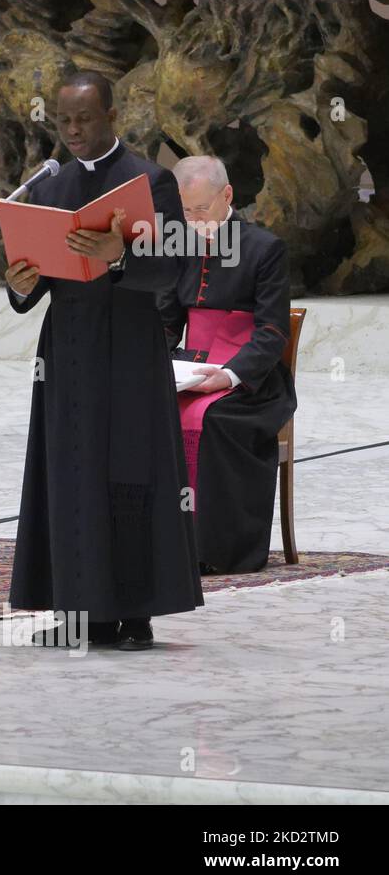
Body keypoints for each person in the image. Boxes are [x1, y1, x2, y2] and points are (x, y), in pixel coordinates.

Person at [3, 70, 201, 651]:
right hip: (66, 355)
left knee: (128, 475)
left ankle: (134, 613)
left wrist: (120, 257)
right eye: (63, 121)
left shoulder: (150, 179)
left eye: (83, 120)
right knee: (68, 477)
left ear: (112, 115)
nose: (72, 132)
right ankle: (76, 613)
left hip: (131, 352)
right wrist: (20, 282)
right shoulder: (49, 185)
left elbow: (173, 270)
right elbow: (31, 289)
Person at [159, 155, 296, 574]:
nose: (194, 220)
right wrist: (155, 364)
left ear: (228, 195)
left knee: (215, 419)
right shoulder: (176, 244)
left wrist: (230, 374)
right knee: (140, 407)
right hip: (191, 368)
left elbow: (273, 331)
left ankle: (213, 550)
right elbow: (167, 321)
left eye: (201, 209)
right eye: (185, 211)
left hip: (252, 380)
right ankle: (156, 541)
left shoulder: (265, 248)